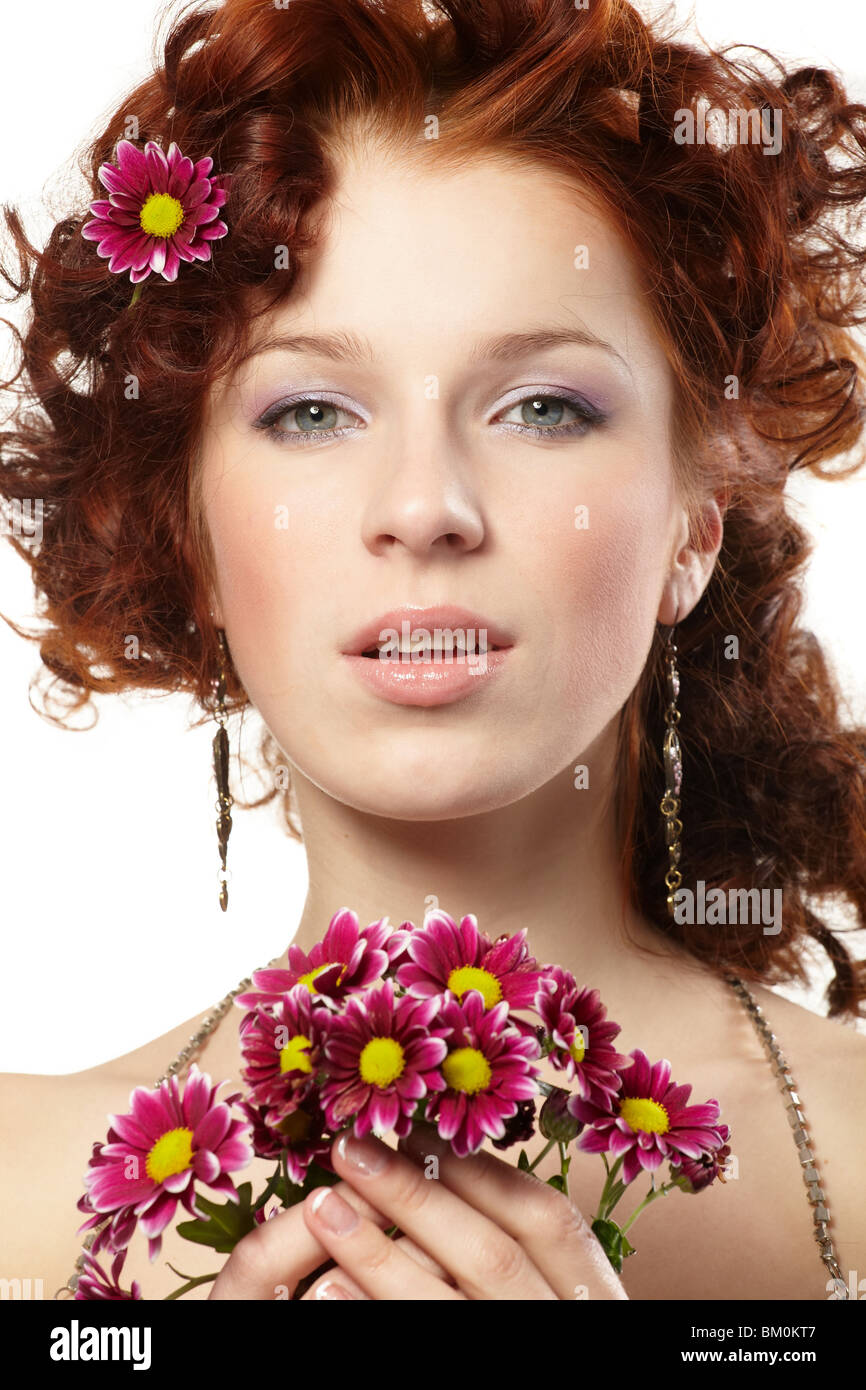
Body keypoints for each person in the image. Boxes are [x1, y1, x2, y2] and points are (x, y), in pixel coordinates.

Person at [1, 0, 865, 1303]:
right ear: (190, 538)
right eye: (308, 411)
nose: (422, 505)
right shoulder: (21, 1190)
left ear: (695, 523)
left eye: (539, 406)